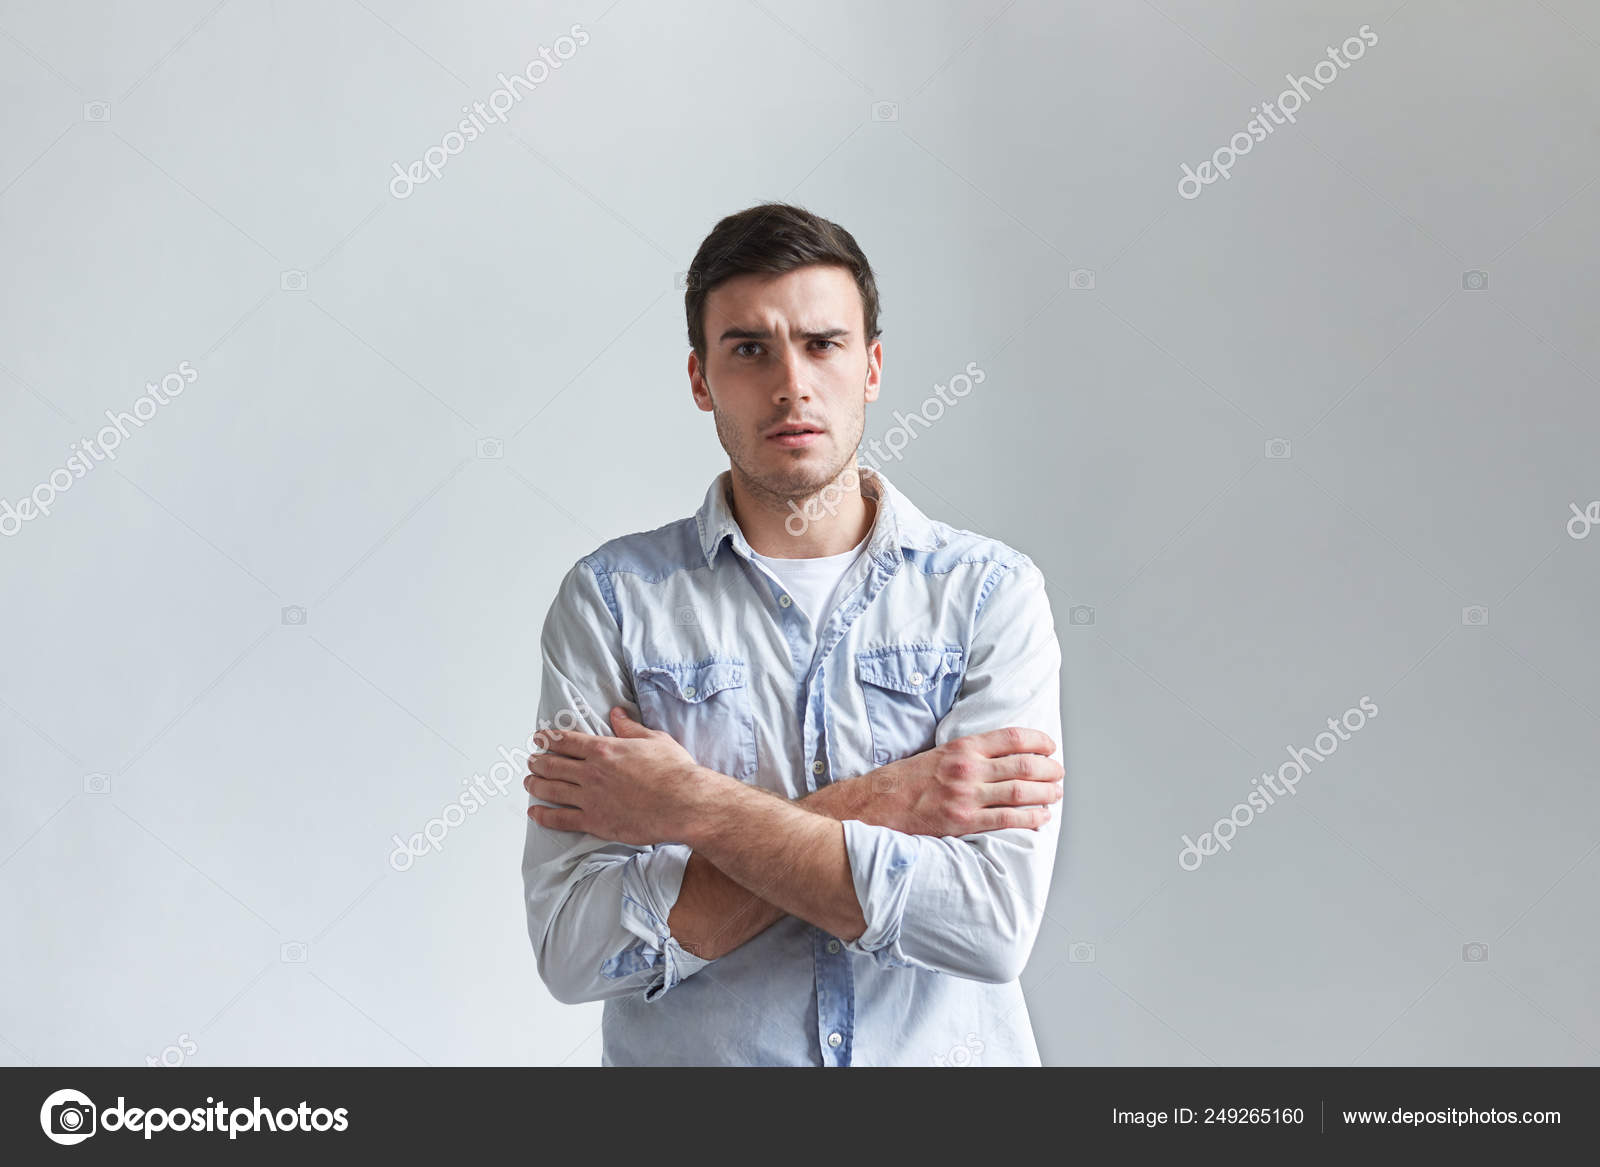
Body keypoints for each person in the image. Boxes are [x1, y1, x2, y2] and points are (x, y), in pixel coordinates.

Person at [520, 202, 1066, 1066]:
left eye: (823, 344)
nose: (792, 383)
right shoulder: (613, 603)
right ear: (700, 378)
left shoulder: (988, 595)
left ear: (873, 365)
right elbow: (575, 949)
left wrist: (690, 806)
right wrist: (889, 800)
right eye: (749, 349)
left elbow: (989, 927)